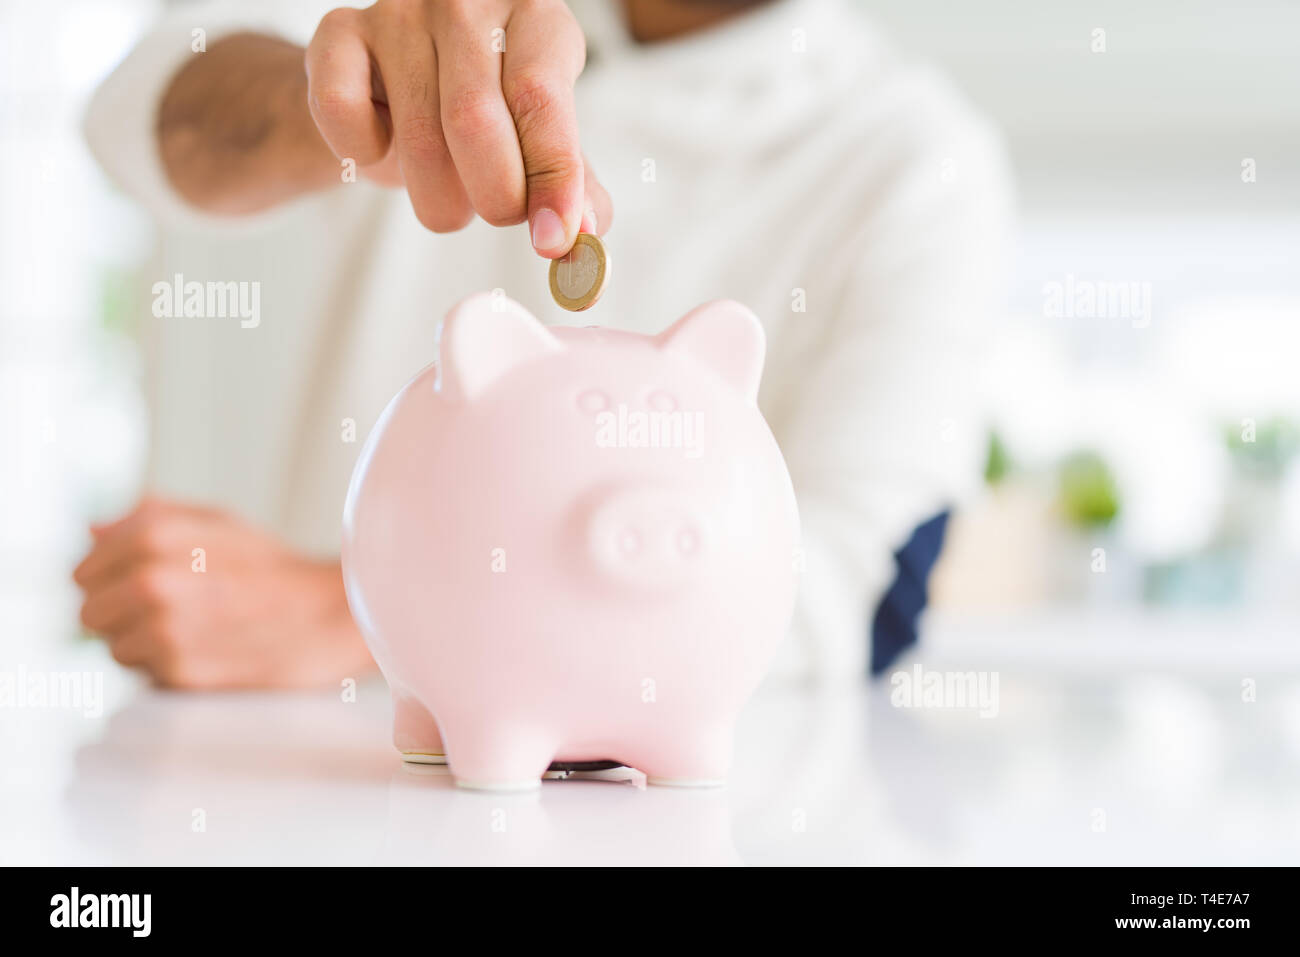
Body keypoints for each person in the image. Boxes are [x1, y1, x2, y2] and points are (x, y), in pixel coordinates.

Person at [76, 0, 1011, 690]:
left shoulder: (913, 160)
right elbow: (133, 110)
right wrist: (329, 101)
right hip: (299, 769)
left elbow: (852, 595)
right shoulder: (439, 13)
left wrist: (370, 612)